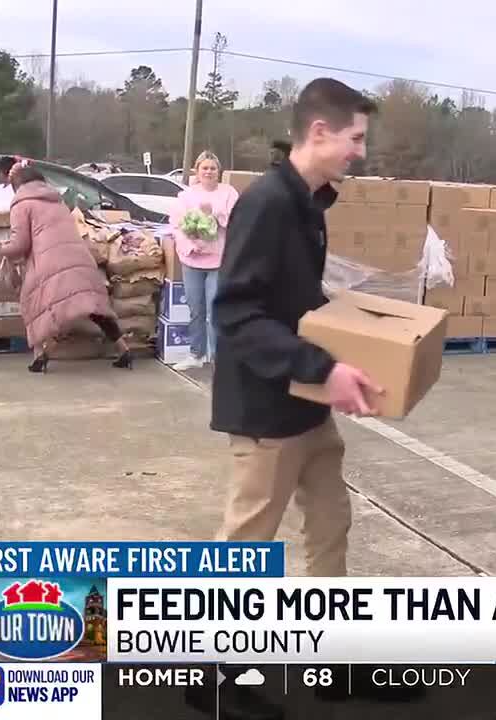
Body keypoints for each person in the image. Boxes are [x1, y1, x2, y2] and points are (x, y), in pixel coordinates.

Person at [210, 77, 383, 577]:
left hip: (308, 405)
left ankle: (328, 632)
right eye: (356, 139)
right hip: (267, 413)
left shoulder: (309, 205)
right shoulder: (268, 204)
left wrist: (348, 349)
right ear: (321, 132)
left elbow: (297, 302)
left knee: (331, 523)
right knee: (245, 544)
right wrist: (321, 369)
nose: (361, 152)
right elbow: (237, 313)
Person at [2, 161, 134, 373]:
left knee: (38, 306)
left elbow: (20, 244)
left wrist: (3, 249)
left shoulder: (21, 204)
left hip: (49, 264)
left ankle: (40, 356)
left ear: (17, 186)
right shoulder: (57, 201)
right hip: (80, 259)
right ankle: (124, 350)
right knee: (93, 307)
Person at [168, 150, 241, 370]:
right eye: (204, 168)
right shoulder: (186, 196)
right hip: (192, 261)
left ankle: (219, 358)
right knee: (196, 309)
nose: (209, 172)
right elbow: (177, 226)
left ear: (219, 171)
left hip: (218, 262)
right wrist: (192, 246)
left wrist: (215, 213)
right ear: (196, 171)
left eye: (212, 168)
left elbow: (239, 221)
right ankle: (196, 354)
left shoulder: (228, 193)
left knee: (215, 310)